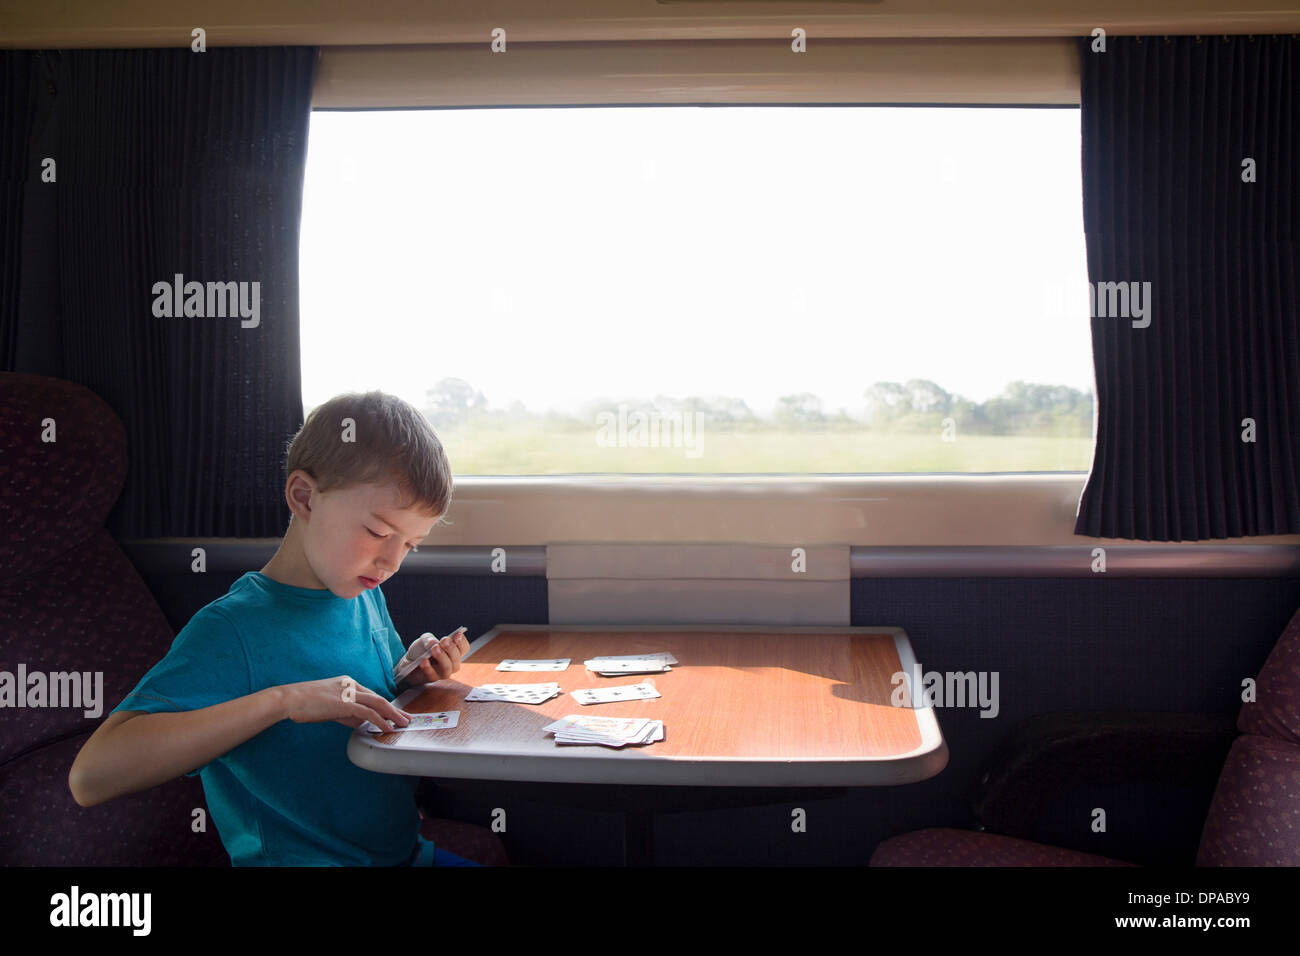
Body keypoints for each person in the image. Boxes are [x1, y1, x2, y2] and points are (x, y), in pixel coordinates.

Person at [68, 390, 482, 866]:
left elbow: (368, 696)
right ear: (304, 497)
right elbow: (91, 777)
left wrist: (412, 678)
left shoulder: (363, 594)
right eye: (378, 533)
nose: (391, 561)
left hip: (405, 856)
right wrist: (283, 701)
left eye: (410, 544)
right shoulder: (231, 630)